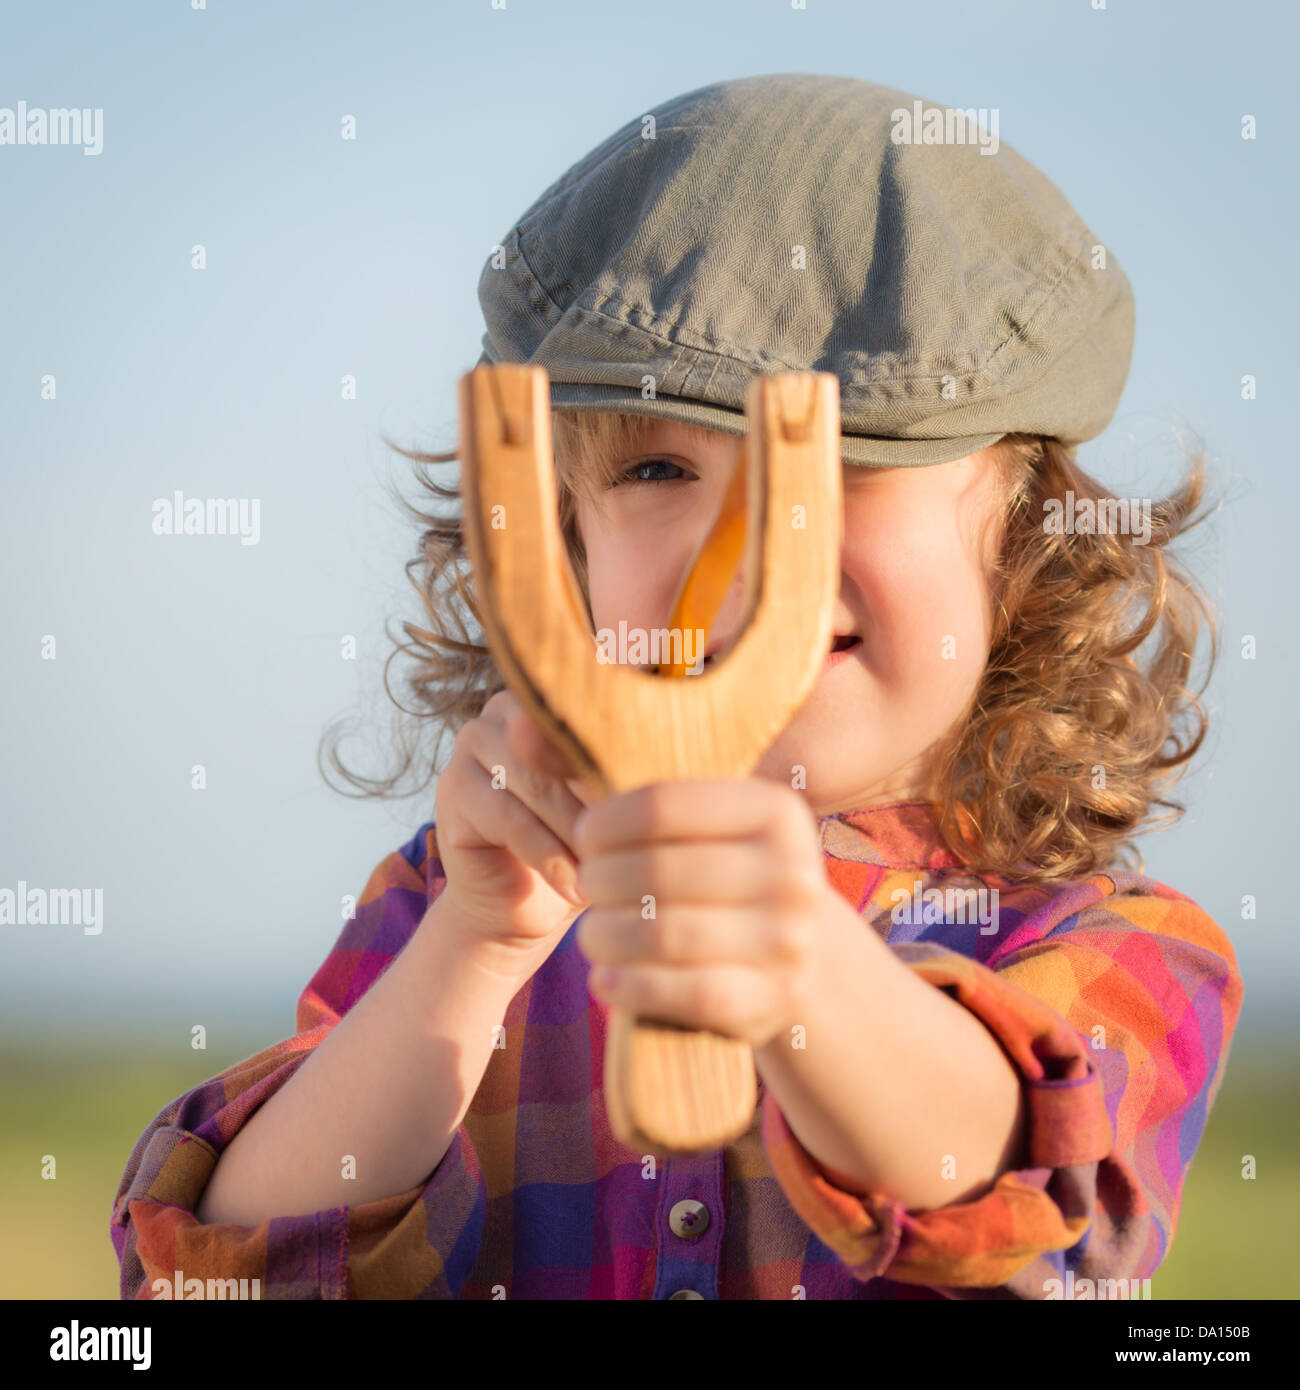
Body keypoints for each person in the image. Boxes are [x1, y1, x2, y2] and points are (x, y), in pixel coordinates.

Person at [111, 73, 1242, 1300]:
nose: (748, 555)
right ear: (561, 550)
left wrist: (798, 959)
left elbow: (1019, 1190)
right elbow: (216, 1279)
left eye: (846, 469)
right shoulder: (451, 903)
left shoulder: (1112, 945)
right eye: (655, 466)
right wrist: (473, 947)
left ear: (1027, 540)